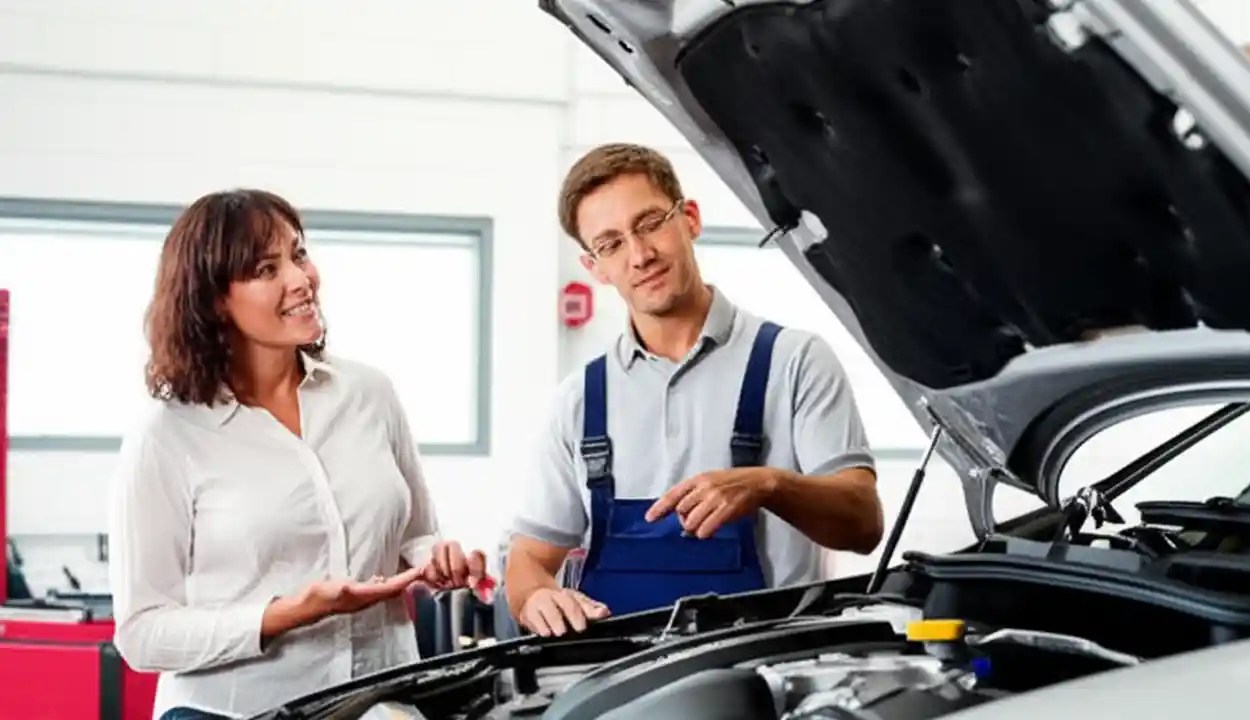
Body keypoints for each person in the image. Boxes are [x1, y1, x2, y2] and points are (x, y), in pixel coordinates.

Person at [108, 189, 487, 720]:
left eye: (299, 253)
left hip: (380, 700)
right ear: (214, 298)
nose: (300, 278)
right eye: (267, 268)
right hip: (234, 712)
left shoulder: (369, 394)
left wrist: (437, 560)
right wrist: (289, 614)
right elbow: (142, 632)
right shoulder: (167, 436)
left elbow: (414, 534)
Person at [503, 143, 885, 637]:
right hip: (620, 684)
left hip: (764, 669)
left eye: (649, 223)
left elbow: (864, 525)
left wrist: (770, 484)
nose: (640, 255)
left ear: (690, 219)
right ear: (595, 267)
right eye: (611, 243)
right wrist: (536, 597)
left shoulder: (795, 362)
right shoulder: (579, 399)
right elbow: (529, 558)